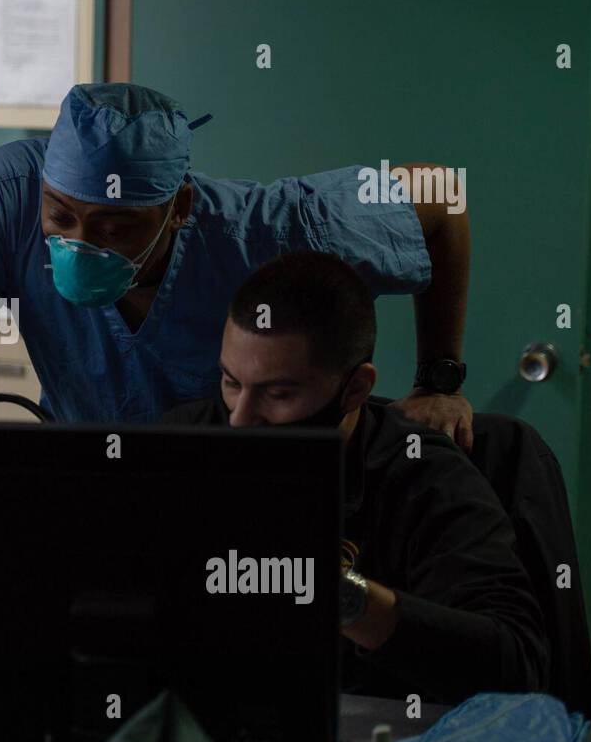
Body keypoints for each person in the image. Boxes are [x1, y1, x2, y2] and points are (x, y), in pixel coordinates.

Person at [0, 83, 474, 449]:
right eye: (62, 217)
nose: (81, 243)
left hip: (229, 494)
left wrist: (439, 379)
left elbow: (443, 197)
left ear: (176, 207)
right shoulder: (7, 199)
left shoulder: (264, 232)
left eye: (114, 225)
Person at [159, 250, 547, 705]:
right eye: (231, 382)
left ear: (356, 388)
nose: (241, 420)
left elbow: (517, 666)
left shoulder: (425, 481)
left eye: (279, 393)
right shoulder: (180, 444)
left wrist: (339, 596)